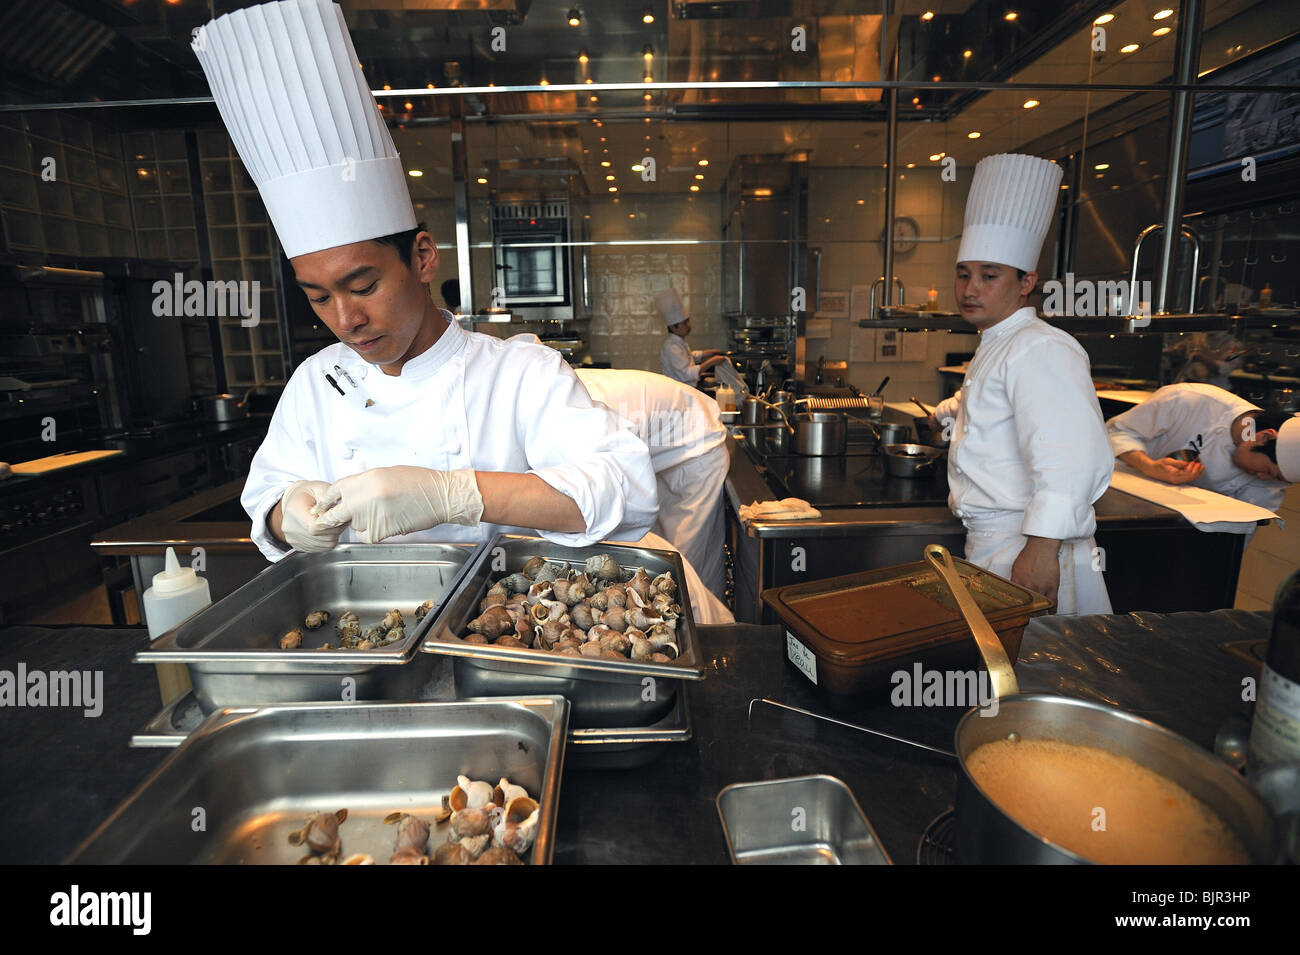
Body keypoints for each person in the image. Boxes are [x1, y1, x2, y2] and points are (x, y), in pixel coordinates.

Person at [193, 0, 657, 559]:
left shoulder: (518, 374)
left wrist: (457, 494)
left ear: (422, 257)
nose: (347, 321)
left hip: (485, 622)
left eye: (363, 286)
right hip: (358, 624)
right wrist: (285, 512)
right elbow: (265, 500)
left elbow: (627, 492)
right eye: (318, 297)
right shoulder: (316, 384)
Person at [930, 153, 1113, 614]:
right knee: (1007, 679)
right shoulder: (1000, 341)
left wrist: (1040, 550)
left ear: (1026, 281)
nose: (971, 289)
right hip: (995, 544)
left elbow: (1071, 458)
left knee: (1041, 676)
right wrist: (955, 411)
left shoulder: (1042, 347)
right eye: (963, 273)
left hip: (1025, 545)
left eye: (989, 276)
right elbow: (1000, 402)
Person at [576, 368, 730, 605]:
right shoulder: (553, 392)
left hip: (697, 448)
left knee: (687, 565)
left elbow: (602, 502)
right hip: (660, 450)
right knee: (660, 560)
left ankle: (710, 631)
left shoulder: (576, 413)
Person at [1105, 383, 1298, 522]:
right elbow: (1116, 431)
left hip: (1179, 527)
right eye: (1268, 471)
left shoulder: (1270, 481)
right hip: (1117, 498)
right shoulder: (1189, 400)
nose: (1263, 478)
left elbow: (1240, 529)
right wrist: (1148, 466)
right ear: (1263, 437)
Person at [656, 288, 727, 385]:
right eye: (684, 323)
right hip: (679, 393)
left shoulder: (679, 341)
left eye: (688, 321)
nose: (689, 325)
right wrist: (711, 362)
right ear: (673, 327)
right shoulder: (672, 347)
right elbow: (686, 374)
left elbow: (688, 356)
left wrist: (708, 353)